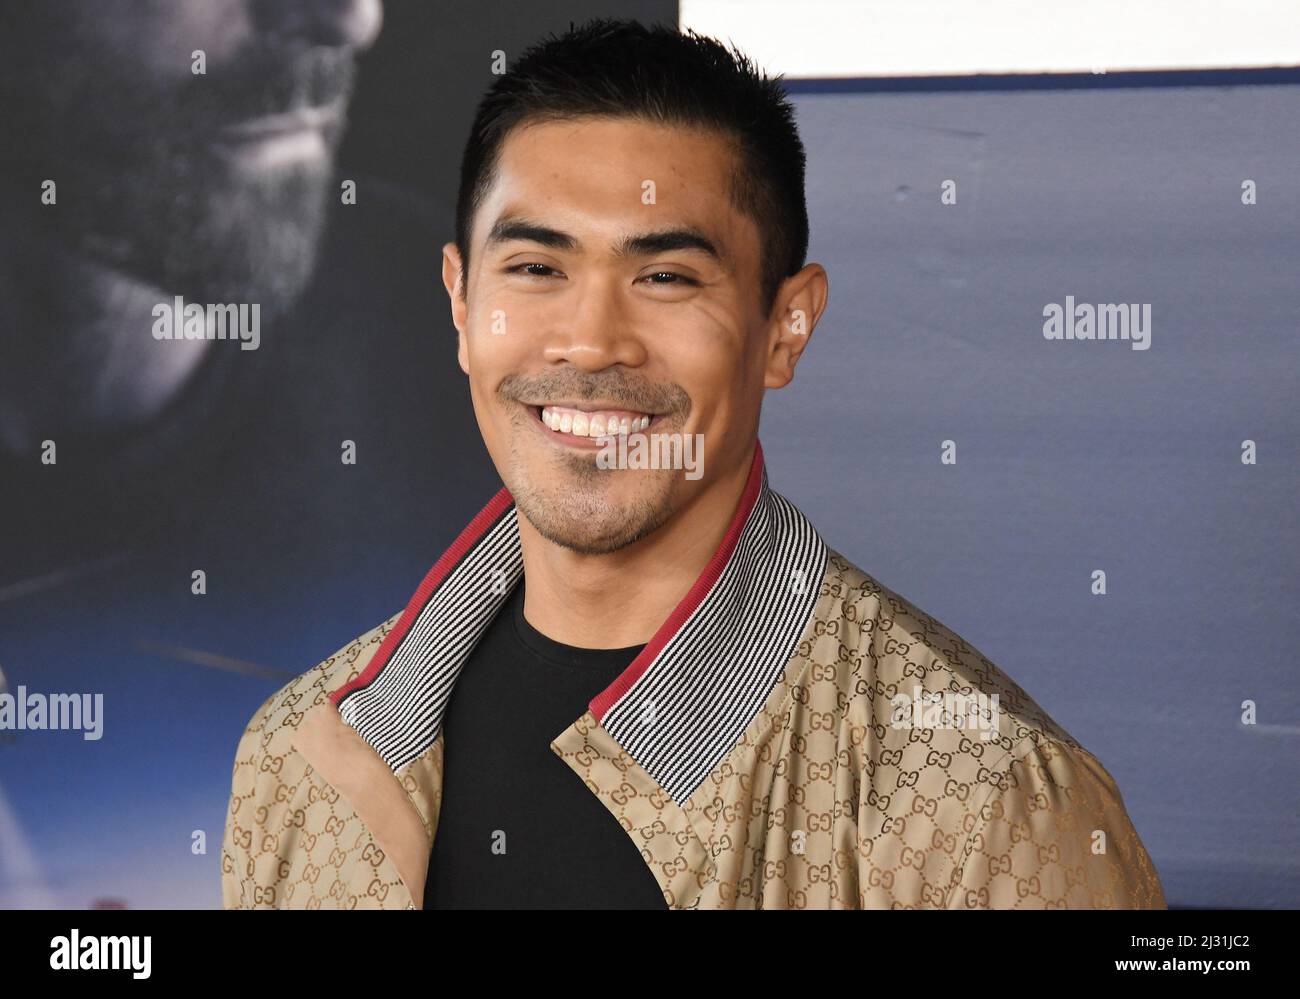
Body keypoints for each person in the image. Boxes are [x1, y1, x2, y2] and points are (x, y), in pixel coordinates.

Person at [221, 18, 1167, 910]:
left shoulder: (985, 802)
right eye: (537, 269)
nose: (590, 344)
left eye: (665, 276)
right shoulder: (299, 757)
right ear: (462, 304)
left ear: (785, 327)